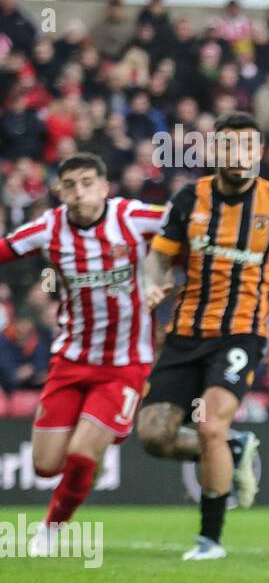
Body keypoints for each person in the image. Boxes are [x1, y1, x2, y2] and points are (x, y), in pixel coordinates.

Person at [137, 112, 269, 561]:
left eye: (248, 147)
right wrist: (152, 282)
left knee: (209, 425)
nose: (239, 156)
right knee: (153, 436)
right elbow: (157, 257)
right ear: (215, 153)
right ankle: (233, 447)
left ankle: (210, 539)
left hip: (242, 333)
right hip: (184, 333)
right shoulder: (188, 200)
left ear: (259, 153)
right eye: (230, 147)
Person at [0, 153, 166, 554]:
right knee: (45, 464)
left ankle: (52, 529)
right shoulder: (49, 227)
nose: (80, 192)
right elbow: (5, 249)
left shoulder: (134, 217)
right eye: (70, 185)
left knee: (81, 453)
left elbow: (190, 226)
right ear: (60, 191)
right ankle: (112, 424)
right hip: (70, 360)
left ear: (105, 186)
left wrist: (166, 277)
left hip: (125, 363)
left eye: (88, 182)